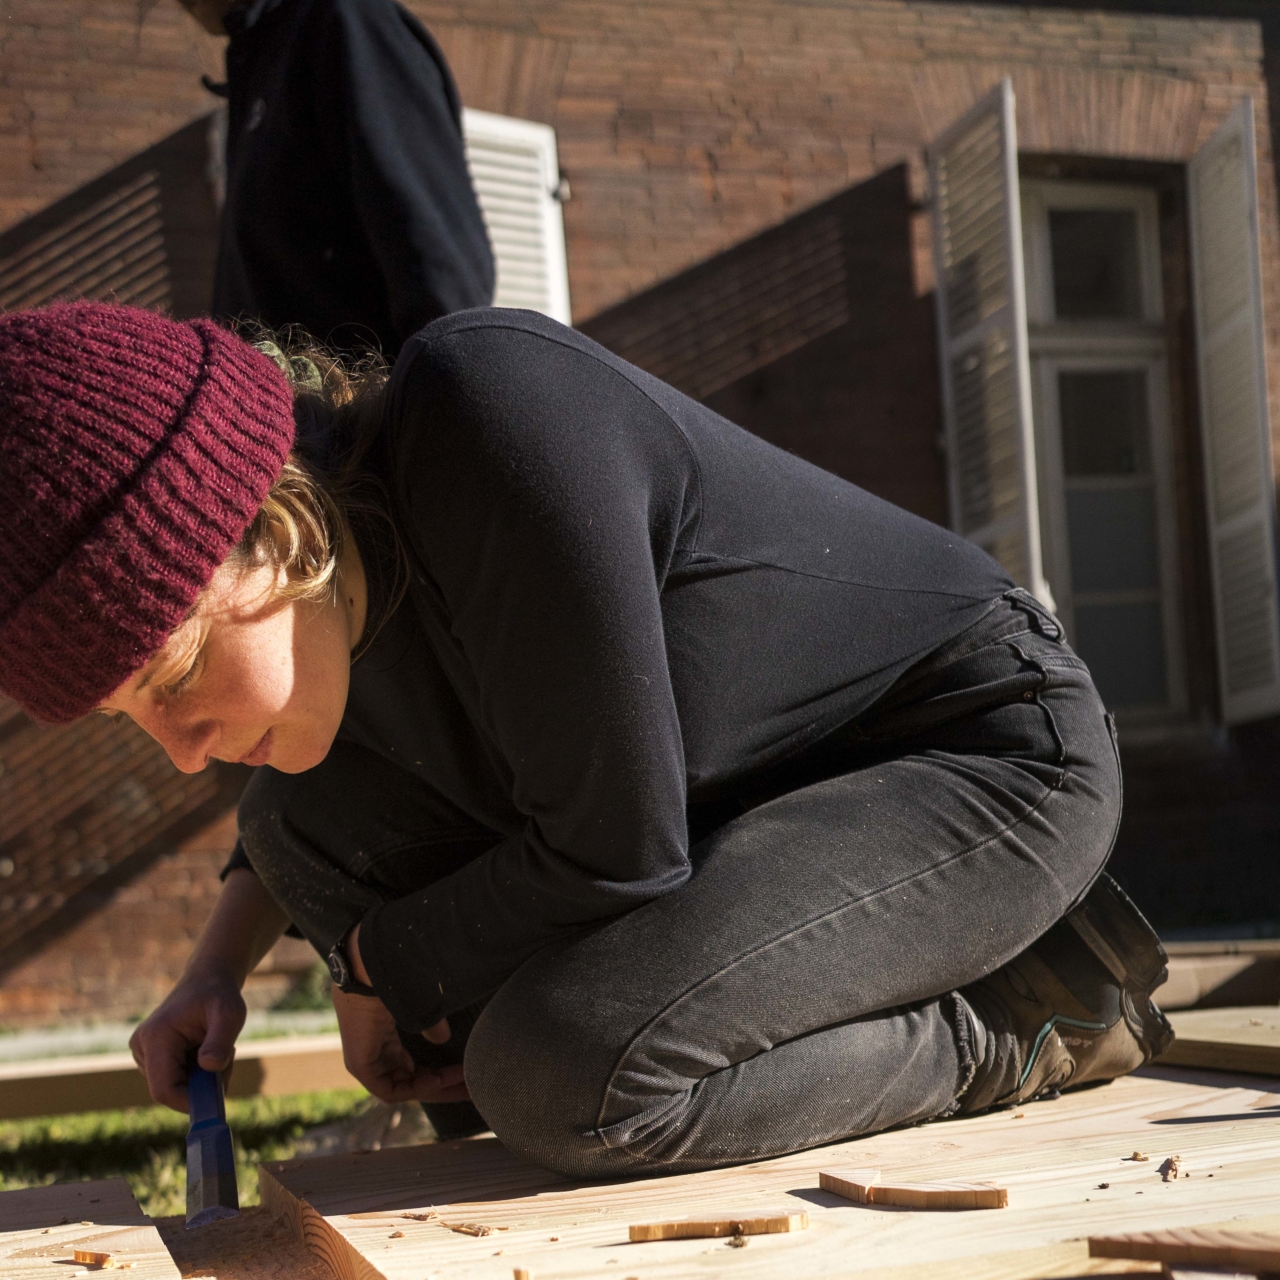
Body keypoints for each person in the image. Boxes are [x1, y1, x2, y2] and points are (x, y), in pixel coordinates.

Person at [0, 302, 1171, 1177]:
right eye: (132, 720)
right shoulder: (347, 584)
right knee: (307, 831)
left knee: (562, 1075)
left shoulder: (488, 415)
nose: (184, 752)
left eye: (176, 676)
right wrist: (213, 971)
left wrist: (377, 966)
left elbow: (615, 849)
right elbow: (289, 828)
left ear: (272, 523)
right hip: (746, 807)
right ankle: (633, 1075)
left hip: (973, 759)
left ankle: (1019, 1018)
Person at [174, 0, 494, 356]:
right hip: (281, 408)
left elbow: (442, 275)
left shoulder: (343, 21)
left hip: (357, 405)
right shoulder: (260, 56)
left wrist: (437, 400)